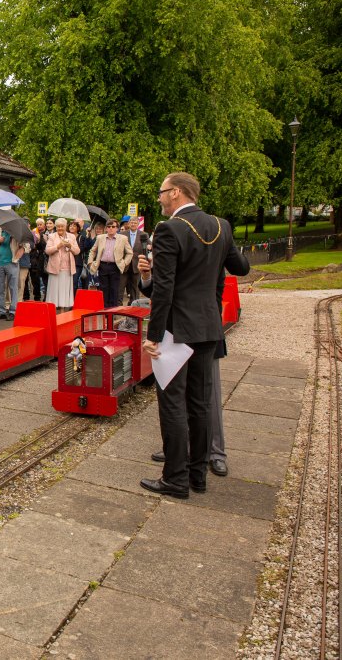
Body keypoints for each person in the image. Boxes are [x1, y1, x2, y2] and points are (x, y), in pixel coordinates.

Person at [140, 171, 242, 499]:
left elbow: (165, 289)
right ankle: (198, 476)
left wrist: (153, 335)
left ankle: (175, 478)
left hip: (176, 332)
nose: (159, 197)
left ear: (178, 193)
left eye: (162, 192)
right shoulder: (221, 226)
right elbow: (240, 268)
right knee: (199, 404)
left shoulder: (170, 229)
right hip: (209, 327)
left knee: (172, 403)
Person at [140, 236, 250, 479]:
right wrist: (147, 277)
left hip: (203, 332)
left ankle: (216, 453)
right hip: (176, 332)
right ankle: (181, 451)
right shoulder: (176, 244)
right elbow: (161, 288)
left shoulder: (211, 242)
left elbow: (238, 269)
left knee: (207, 398)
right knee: (179, 398)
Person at [87, 219, 132, 307]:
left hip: (115, 266)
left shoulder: (123, 239)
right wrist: (90, 262)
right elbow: (93, 251)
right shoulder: (100, 238)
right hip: (102, 266)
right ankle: (104, 310)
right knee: (103, 289)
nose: (111, 228)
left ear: (117, 228)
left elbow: (130, 253)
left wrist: (124, 263)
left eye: (113, 227)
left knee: (114, 289)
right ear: (106, 228)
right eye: (109, 227)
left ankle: (112, 311)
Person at [0, 220, 25, 321]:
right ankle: (1, 311)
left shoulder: (16, 234)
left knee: (13, 288)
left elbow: (26, 246)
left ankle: (13, 311)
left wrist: (21, 250)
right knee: (0, 288)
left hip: (12, 263)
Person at [44, 218, 81, 310]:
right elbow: (47, 251)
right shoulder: (52, 236)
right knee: (54, 292)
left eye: (62, 226)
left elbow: (77, 251)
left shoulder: (71, 237)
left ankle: (63, 312)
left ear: (66, 226)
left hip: (67, 269)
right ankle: (53, 312)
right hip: (55, 268)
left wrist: (70, 246)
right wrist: (58, 246)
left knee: (64, 292)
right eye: (58, 226)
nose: (60, 228)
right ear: (56, 227)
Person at [121, 215, 150, 305]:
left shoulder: (143, 235)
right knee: (120, 287)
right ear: (128, 224)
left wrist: (149, 247)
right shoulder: (122, 234)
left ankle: (134, 307)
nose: (133, 224)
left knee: (135, 288)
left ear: (138, 224)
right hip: (125, 264)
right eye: (131, 222)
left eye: (135, 222)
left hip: (137, 265)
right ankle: (118, 307)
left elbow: (149, 245)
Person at [67, 221, 86, 293]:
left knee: (74, 282)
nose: (72, 227)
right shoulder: (65, 236)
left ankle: (73, 300)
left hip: (77, 263)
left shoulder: (81, 237)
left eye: (74, 226)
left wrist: (70, 247)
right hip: (67, 262)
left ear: (78, 228)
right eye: (70, 225)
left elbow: (81, 249)